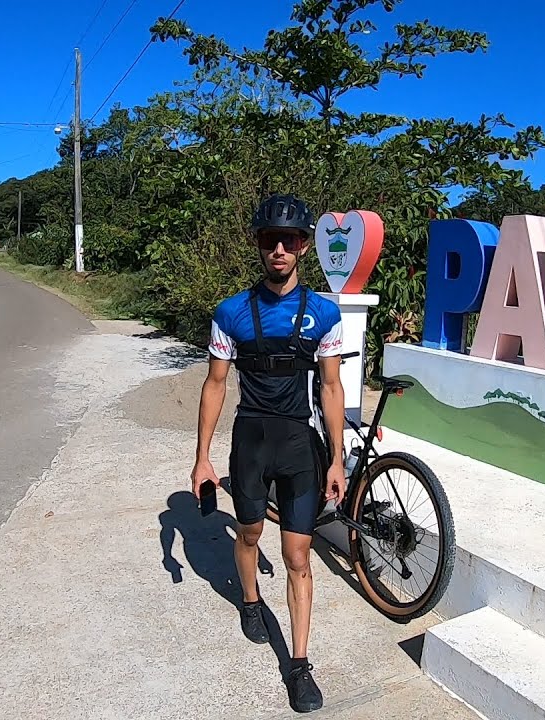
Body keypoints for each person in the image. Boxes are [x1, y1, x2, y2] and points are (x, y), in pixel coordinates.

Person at [191, 193, 347, 713]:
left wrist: (337, 458)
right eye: (269, 240)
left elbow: (330, 388)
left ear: (303, 246)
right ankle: (252, 601)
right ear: (259, 245)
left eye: (288, 240)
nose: (278, 249)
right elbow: (215, 385)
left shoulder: (324, 313)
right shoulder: (231, 312)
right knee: (252, 532)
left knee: (297, 554)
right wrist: (202, 459)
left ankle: (299, 667)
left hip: (300, 446)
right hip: (251, 444)